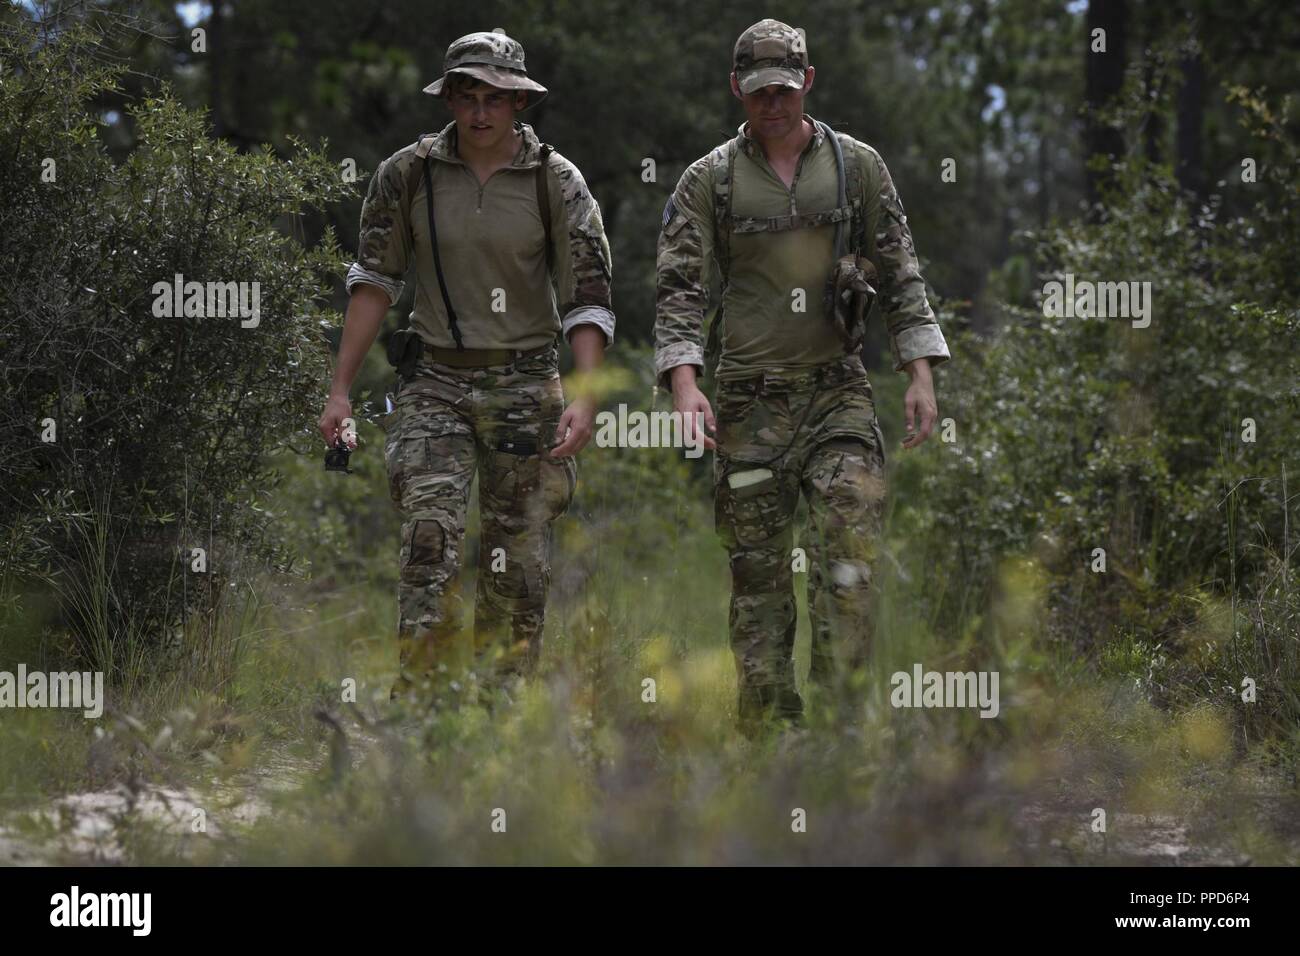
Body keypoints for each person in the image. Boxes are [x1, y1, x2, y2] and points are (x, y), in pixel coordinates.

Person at [654, 18, 950, 732]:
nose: (773, 104)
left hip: (835, 393)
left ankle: (841, 724)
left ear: (808, 82)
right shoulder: (710, 179)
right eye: (759, 91)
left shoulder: (857, 168)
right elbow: (680, 288)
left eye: (784, 89)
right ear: (737, 89)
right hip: (748, 402)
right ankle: (768, 730)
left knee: (849, 553)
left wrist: (919, 373)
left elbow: (900, 272)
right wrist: (685, 384)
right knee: (757, 578)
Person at [318, 28, 615, 702]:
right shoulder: (408, 173)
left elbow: (588, 296)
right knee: (428, 537)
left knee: (518, 559)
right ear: (448, 100)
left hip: (525, 381)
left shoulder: (555, 181)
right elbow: (374, 281)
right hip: (435, 381)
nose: (481, 112)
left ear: (519, 103)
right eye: (467, 97)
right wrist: (340, 391)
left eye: (495, 98)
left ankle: (501, 708)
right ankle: (425, 703)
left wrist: (586, 392)